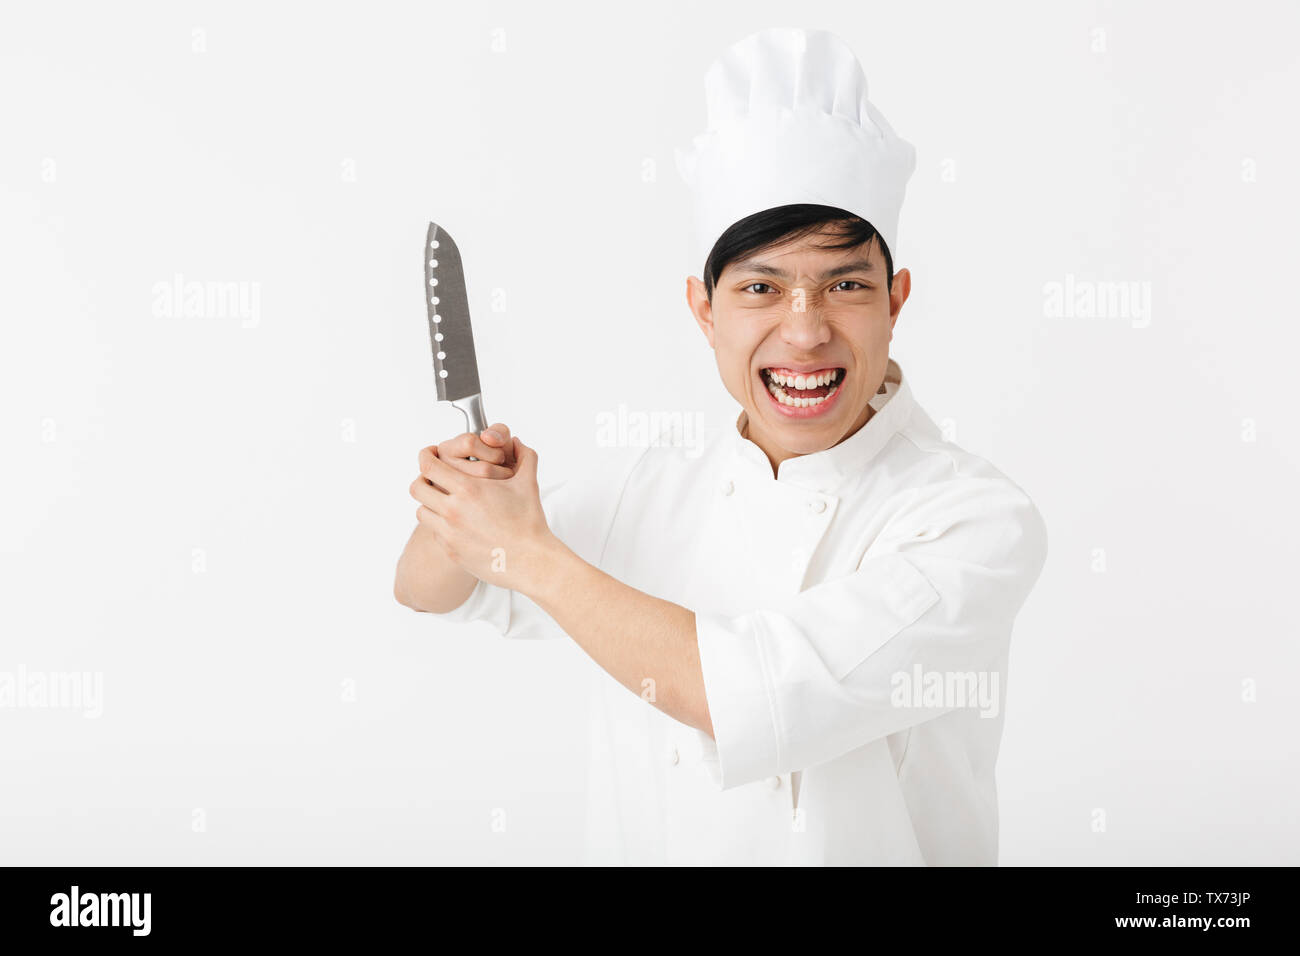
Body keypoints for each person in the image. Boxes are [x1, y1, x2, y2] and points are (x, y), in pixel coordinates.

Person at [394, 27, 1047, 865]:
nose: (804, 330)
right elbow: (429, 592)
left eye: (844, 284)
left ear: (896, 300)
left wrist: (528, 552)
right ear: (705, 311)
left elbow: (763, 696)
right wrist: (463, 501)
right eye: (760, 289)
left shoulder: (975, 520)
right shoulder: (653, 487)